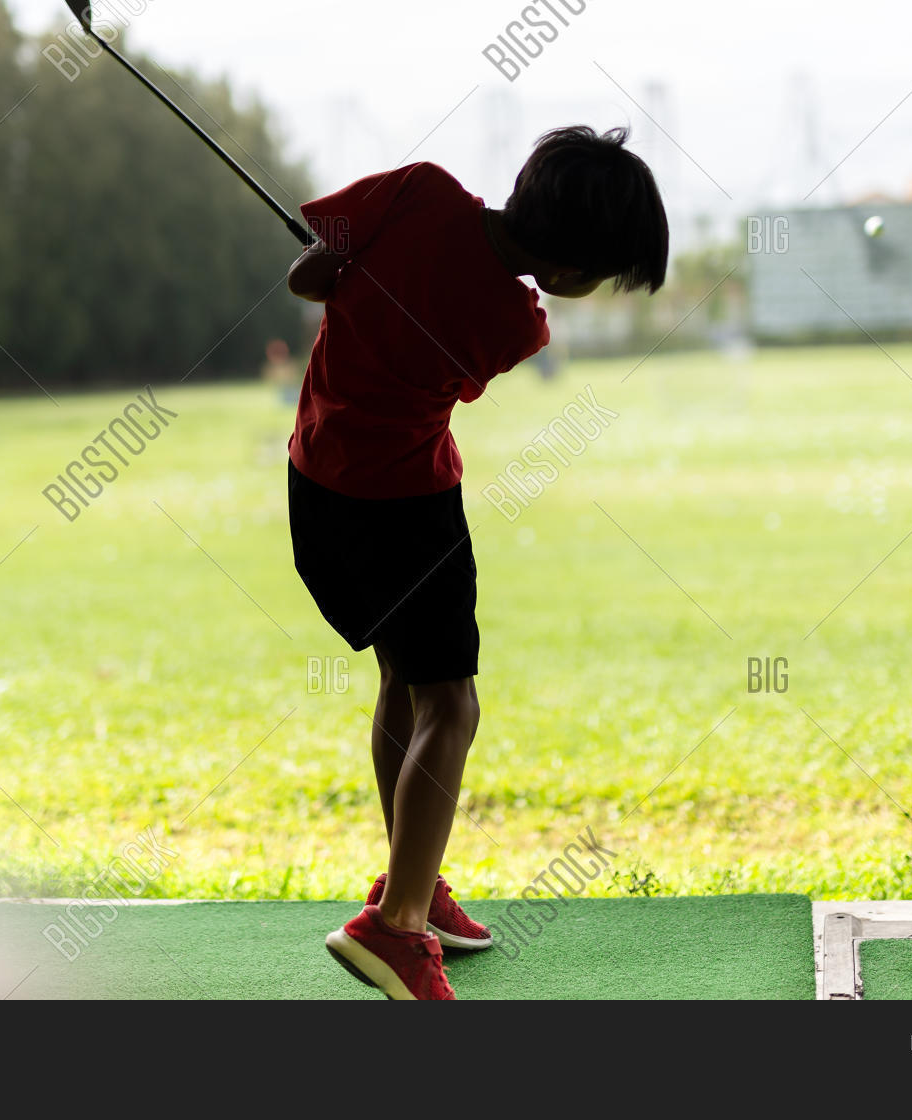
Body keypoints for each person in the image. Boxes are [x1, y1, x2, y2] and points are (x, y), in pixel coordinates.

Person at [285, 126, 668, 999]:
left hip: (319, 487)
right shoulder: (518, 323)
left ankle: (409, 885)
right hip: (409, 510)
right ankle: (395, 930)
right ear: (570, 272)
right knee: (451, 704)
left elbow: (310, 277)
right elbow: (452, 373)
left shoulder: (417, 189)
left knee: (403, 683)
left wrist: (358, 277)